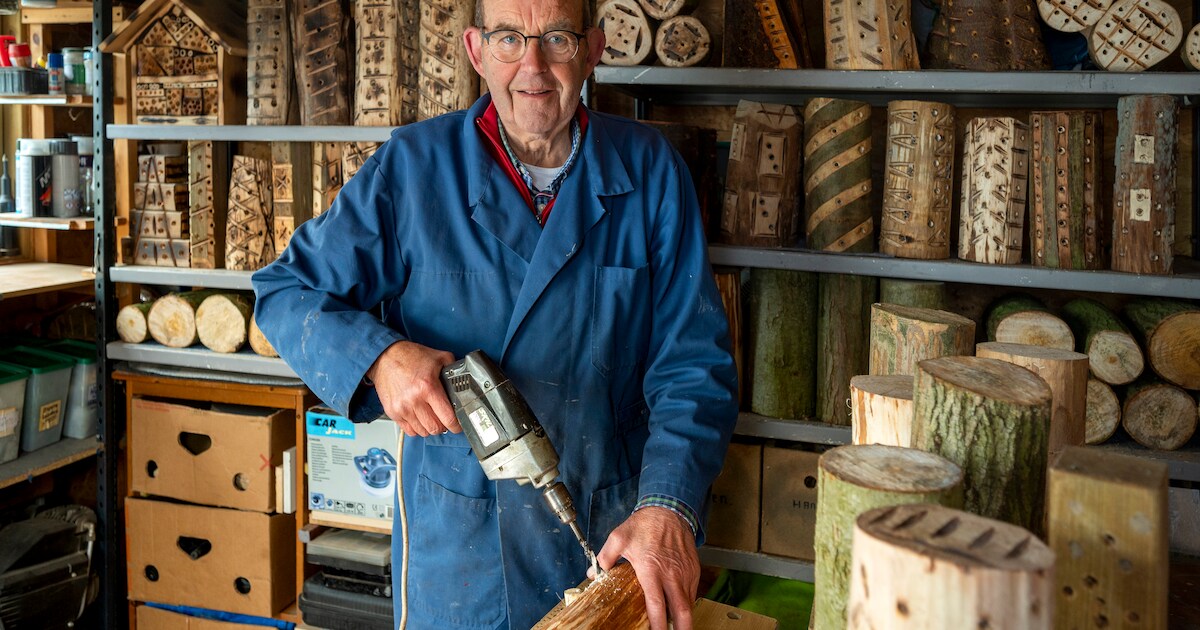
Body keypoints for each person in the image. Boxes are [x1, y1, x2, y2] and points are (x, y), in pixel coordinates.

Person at [252, 0, 737, 627]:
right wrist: (378, 358)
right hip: (460, 547)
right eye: (510, 38)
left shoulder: (648, 170)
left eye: (556, 39)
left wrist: (668, 507)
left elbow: (693, 365)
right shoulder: (414, 167)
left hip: (612, 535)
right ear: (476, 51)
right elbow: (284, 289)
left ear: (593, 48)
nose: (532, 66)